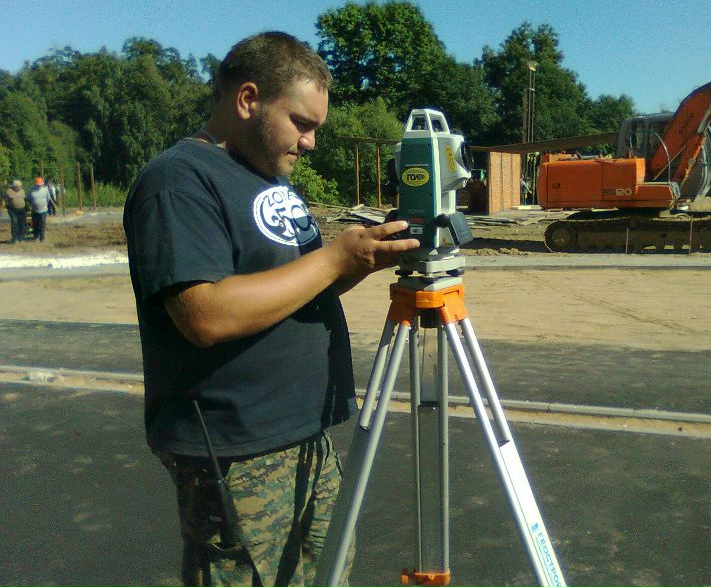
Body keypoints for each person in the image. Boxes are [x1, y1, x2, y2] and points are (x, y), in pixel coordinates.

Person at [123, 31, 419, 587]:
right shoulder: (178, 180)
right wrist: (332, 260)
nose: (311, 142)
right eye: (301, 123)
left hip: (305, 433)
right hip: (237, 448)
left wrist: (358, 263)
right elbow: (204, 314)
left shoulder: (264, 174)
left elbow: (291, 289)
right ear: (247, 99)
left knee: (325, 574)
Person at [26, 176, 52, 241]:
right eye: (38, 185)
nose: (39, 186)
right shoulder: (31, 190)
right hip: (34, 210)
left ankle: (42, 237)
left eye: (40, 184)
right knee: (35, 224)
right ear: (35, 184)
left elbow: (48, 199)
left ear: (42, 184)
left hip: (43, 210)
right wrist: (33, 205)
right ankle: (35, 236)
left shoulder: (45, 190)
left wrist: (43, 205)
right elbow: (28, 198)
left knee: (42, 223)